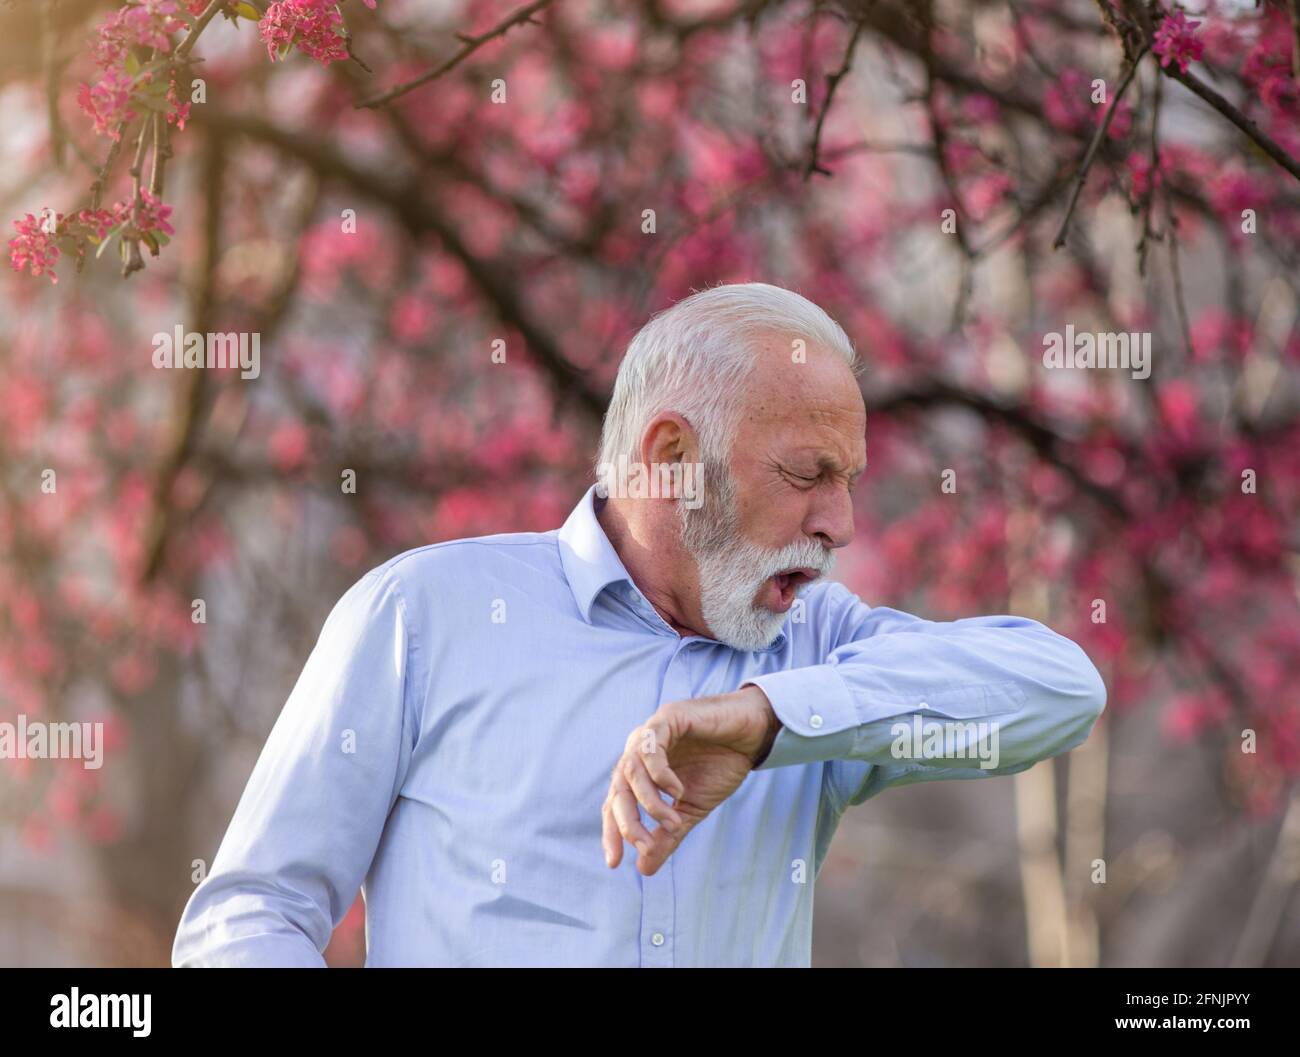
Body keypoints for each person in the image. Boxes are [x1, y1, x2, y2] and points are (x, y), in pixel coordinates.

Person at [172, 281, 1106, 967]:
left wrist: (766, 717)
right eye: (806, 473)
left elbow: (1061, 691)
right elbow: (250, 914)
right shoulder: (422, 615)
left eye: (849, 480)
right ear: (670, 456)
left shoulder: (818, 648)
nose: (840, 524)